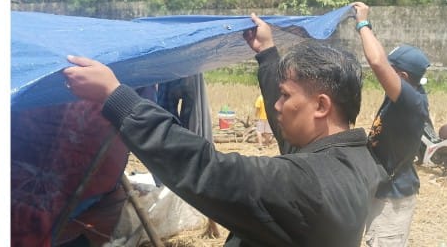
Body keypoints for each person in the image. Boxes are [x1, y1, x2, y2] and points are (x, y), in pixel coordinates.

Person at [63, 13, 384, 247]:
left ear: (321, 106)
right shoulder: (357, 161)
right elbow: (297, 150)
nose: (276, 105)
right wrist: (267, 55)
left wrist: (117, 99)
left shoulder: (304, 184)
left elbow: (207, 169)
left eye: (285, 96)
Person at [351, 2, 430, 247]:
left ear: (402, 77)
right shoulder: (406, 92)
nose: (384, 74)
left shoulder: (410, 101)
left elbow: (377, 62)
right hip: (380, 186)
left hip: (393, 197)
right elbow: (381, 59)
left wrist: (362, 23)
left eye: (390, 70)